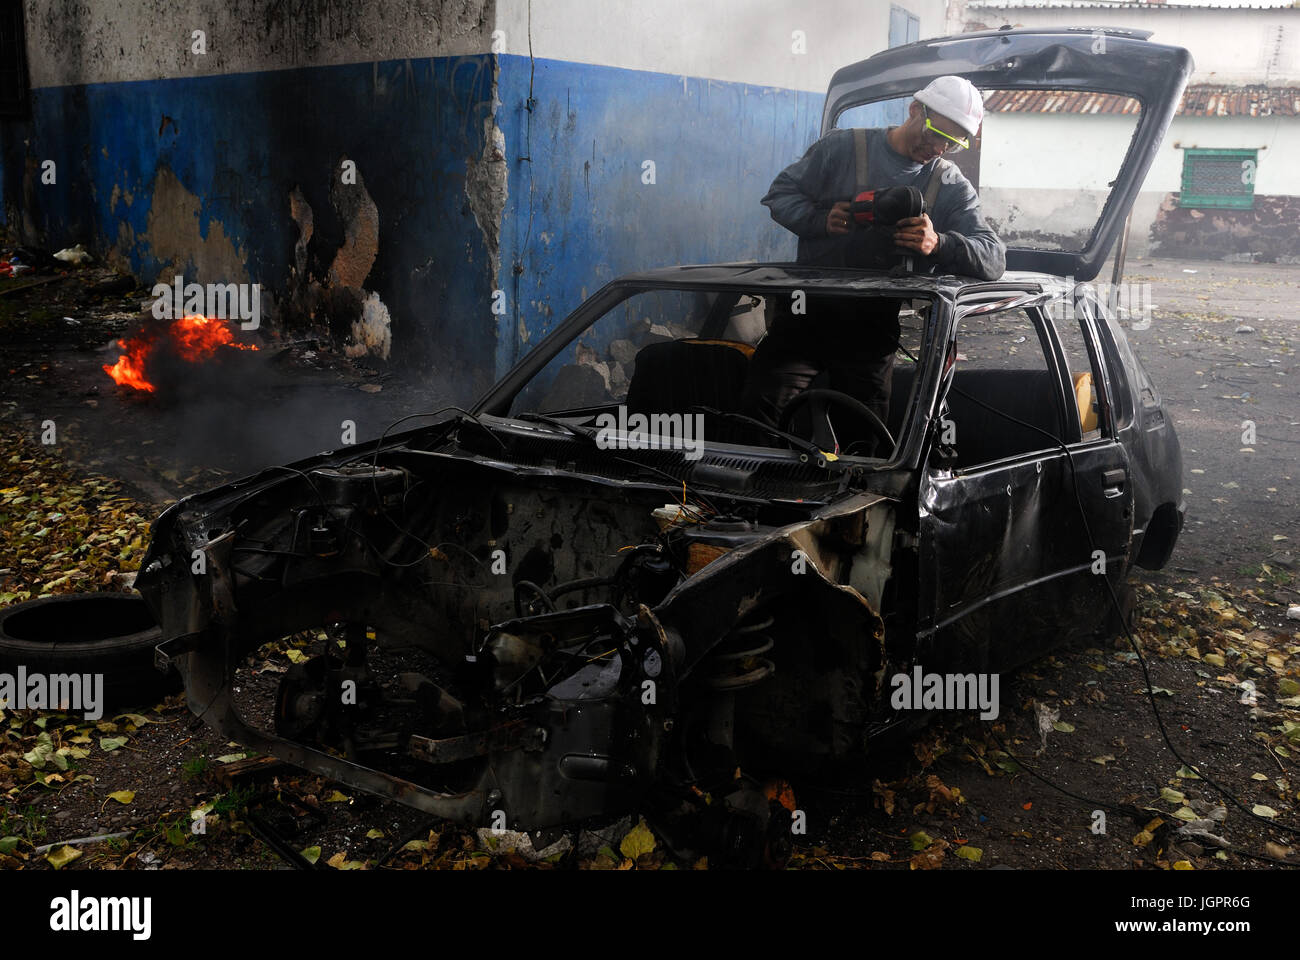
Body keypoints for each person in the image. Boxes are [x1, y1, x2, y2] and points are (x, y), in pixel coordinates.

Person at [743, 76, 1006, 455]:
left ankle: (852, 509)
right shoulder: (842, 148)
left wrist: (939, 243)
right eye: (934, 133)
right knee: (761, 411)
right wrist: (820, 220)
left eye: (950, 142)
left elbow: (993, 257)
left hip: (871, 331)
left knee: (866, 437)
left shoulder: (948, 184)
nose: (937, 147)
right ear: (916, 110)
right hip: (804, 316)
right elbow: (780, 194)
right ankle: (758, 496)